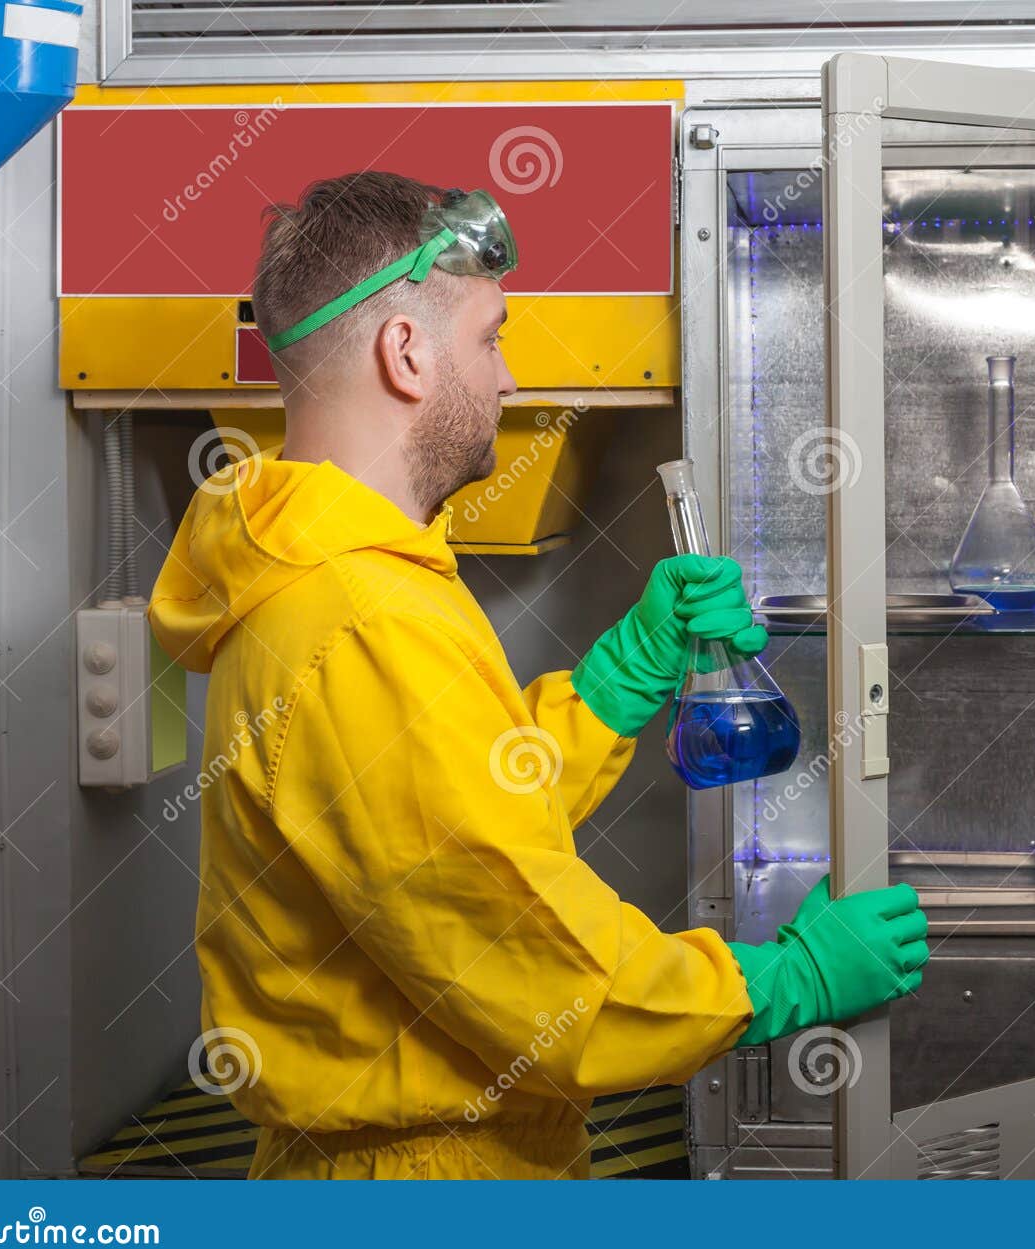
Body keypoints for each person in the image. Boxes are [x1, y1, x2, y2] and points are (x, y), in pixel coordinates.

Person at [148, 171, 926, 1180]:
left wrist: (624, 672)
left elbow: (457, 824)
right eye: (491, 337)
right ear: (407, 353)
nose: (507, 379)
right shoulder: (361, 617)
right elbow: (539, 971)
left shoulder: (333, 574)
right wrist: (782, 981)